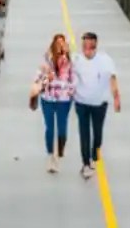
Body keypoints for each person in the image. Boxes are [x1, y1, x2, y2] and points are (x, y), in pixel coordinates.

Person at [73, 31, 120, 180]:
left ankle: (95, 150)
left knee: (97, 132)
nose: (86, 49)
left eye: (89, 45)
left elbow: (112, 78)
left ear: (94, 46)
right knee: (84, 132)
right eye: (84, 45)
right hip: (81, 102)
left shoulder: (105, 60)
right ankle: (86, 163)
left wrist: (116, 97)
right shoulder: (76, 60)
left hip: (99, 103)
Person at [33, 34, 75, 173]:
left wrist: (71, 91)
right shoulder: (46, 61)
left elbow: (73, 80)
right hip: (48, 98)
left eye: (62, 43)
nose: (60, 46)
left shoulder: (70, 62)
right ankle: (51, 156)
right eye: (58, 43)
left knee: (62, 129)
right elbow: (38, 77)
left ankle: (60, 150)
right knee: (50, 128)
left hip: (64, 100)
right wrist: (46, 79)